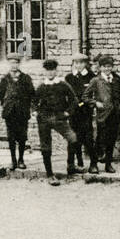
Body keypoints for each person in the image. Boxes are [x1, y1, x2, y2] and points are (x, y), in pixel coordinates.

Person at [34, 58, 78, 186]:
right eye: (48, 71)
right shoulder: (41, 86)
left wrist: (67, 112)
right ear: (45, 72)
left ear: (56, 71)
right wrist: (35, 110)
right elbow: (33, 101)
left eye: (52, 70)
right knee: (46, 146)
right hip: (44, 119)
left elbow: (74, 100)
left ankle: (70, 166)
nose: (50, 73)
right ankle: (50, 174)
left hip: (59, 118)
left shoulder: (63, 85)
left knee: (73, 138)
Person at [84, 54, 120, 173]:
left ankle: (108, 164)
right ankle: (93, 164)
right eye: (104, 66)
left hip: (114, 114)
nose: (107, 69)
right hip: (102, 115)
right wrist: (95, 103)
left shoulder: (117, 80)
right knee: (100, 140)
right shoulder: (96, 80)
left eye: (109, 66)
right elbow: (85, 96)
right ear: (100, 67)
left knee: (111, 140)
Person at [0, 52, 34, 170]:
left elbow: (31, 94)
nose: (14, 65)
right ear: (9, 64)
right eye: (12, 63)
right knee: (11, 137)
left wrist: (29, 107)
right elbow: (1, 95)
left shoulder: (26, 78)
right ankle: (13, 160)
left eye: (16, 63)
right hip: (10, 113)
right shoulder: (5, 79)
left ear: (19, 64)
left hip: (22, 112)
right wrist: (7, 105)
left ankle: (21, 160)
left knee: (22, 136)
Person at [63, 52, 97, 174]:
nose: (79, 65)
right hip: (73, 113)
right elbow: (66, 95)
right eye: (76, 63)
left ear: (86, 64)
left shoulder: (91, 77)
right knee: (72, 138)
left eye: (81, 63)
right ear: (73, 64)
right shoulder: (69, 78)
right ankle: (73, 164)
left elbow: (89, 95)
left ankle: (94, 164)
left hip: (85, 113)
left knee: (88, 139)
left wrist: (82, 104)